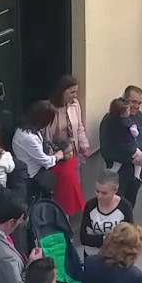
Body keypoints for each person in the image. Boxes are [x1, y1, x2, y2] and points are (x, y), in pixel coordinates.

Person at [48, 75, 93, 217]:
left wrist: (84, 144)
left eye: (76, 92)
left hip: (73, 152)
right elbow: (47, 135)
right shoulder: (51, 108)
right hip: (57, 155)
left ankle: (68, 218)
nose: (75, 96)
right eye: (72, 92)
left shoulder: (75, 105)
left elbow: (79, 126)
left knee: (74, 186)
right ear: (62, 91)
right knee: (60, 191)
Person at [15, 100, 75, 203]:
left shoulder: (26, 129)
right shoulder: (28, 137)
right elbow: (45, 161)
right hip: (32, 176)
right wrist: (58, 156)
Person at [101, 97, 142, 204]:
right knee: (118, 204)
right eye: (134, 101)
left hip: (133, 166)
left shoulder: (138, 116)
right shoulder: (110, 122)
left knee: (130, 204)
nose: (136, 106)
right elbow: (107, 149)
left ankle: (137, 177)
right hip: (120, 173)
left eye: (139, 103)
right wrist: (131, 157)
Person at [80, 171, 136, 255]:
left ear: (115, 190)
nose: (99, 196)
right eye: (97, 191)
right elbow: (84, 238)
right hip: (92, 256)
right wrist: (110, 239)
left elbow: (129, 238)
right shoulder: (90, 206)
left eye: (104, 193)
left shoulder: (125, 207)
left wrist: (97, 239)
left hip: (116, 258)